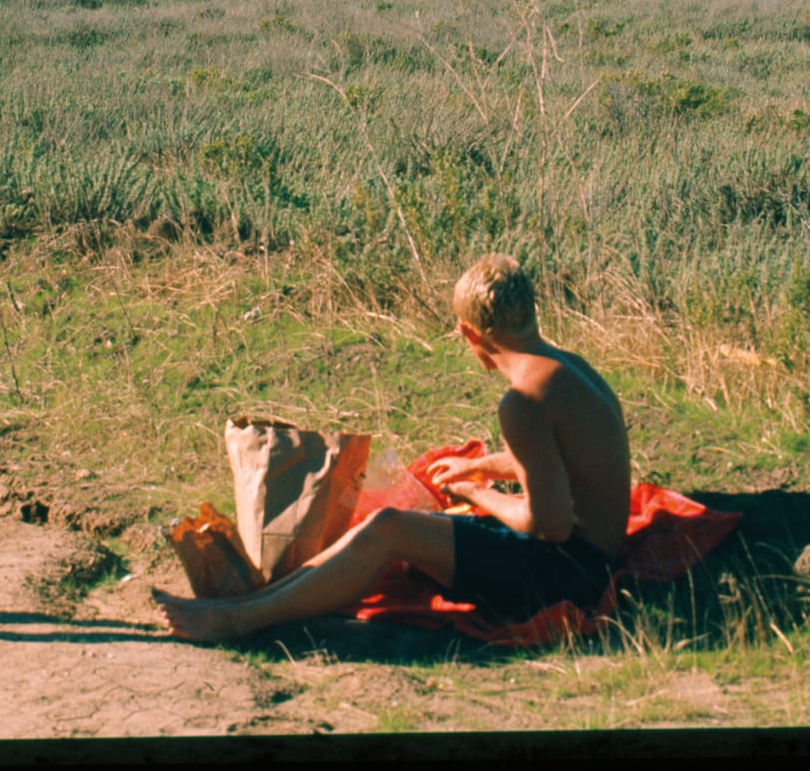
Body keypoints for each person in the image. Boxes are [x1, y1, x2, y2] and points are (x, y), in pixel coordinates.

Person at [154, 253, 631, 641]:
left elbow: (547, 524)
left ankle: (238, 620)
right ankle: (250, 600)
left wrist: (479, 495)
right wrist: (480, 467)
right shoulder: (570, 368)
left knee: (388, 529)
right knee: (398, 526)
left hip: (564, 576)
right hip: (591, 559)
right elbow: (558, 463)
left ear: (469, 334)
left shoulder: (523, 401)